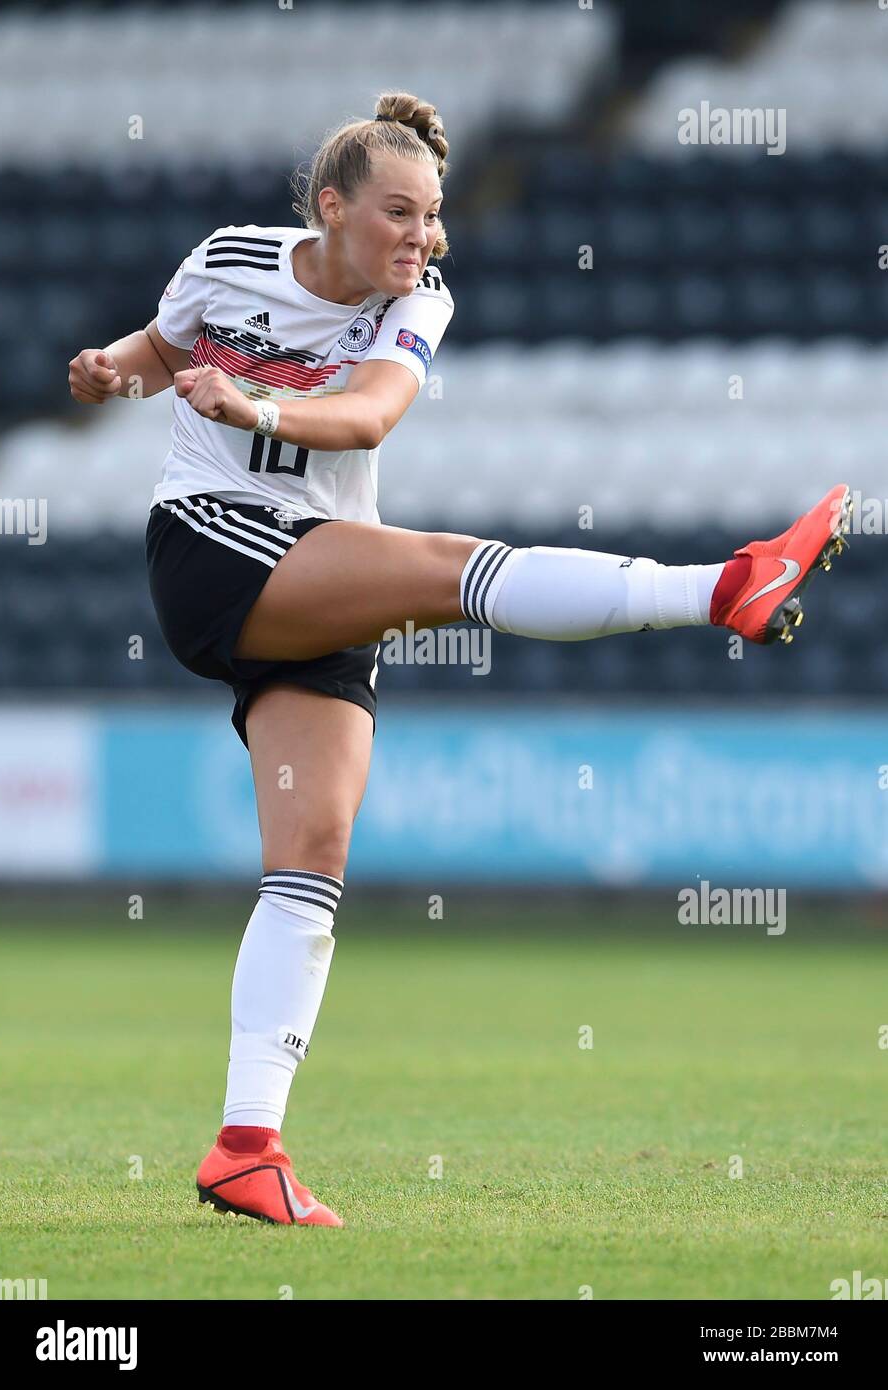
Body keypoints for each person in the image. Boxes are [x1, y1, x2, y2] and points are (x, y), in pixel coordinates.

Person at [69, 91, 851, 1228]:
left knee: (312, 858)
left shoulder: (416, 302)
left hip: (315, 563)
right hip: (213, 546)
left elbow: (368, 419)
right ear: (332, 208)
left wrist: (256, 404)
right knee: (450, 569)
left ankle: (246, 1145)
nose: (420, 238)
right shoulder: (231, 260)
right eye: (398, 214)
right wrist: (111, 371)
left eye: (430, 217)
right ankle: (718, 591)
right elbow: (160, 346)